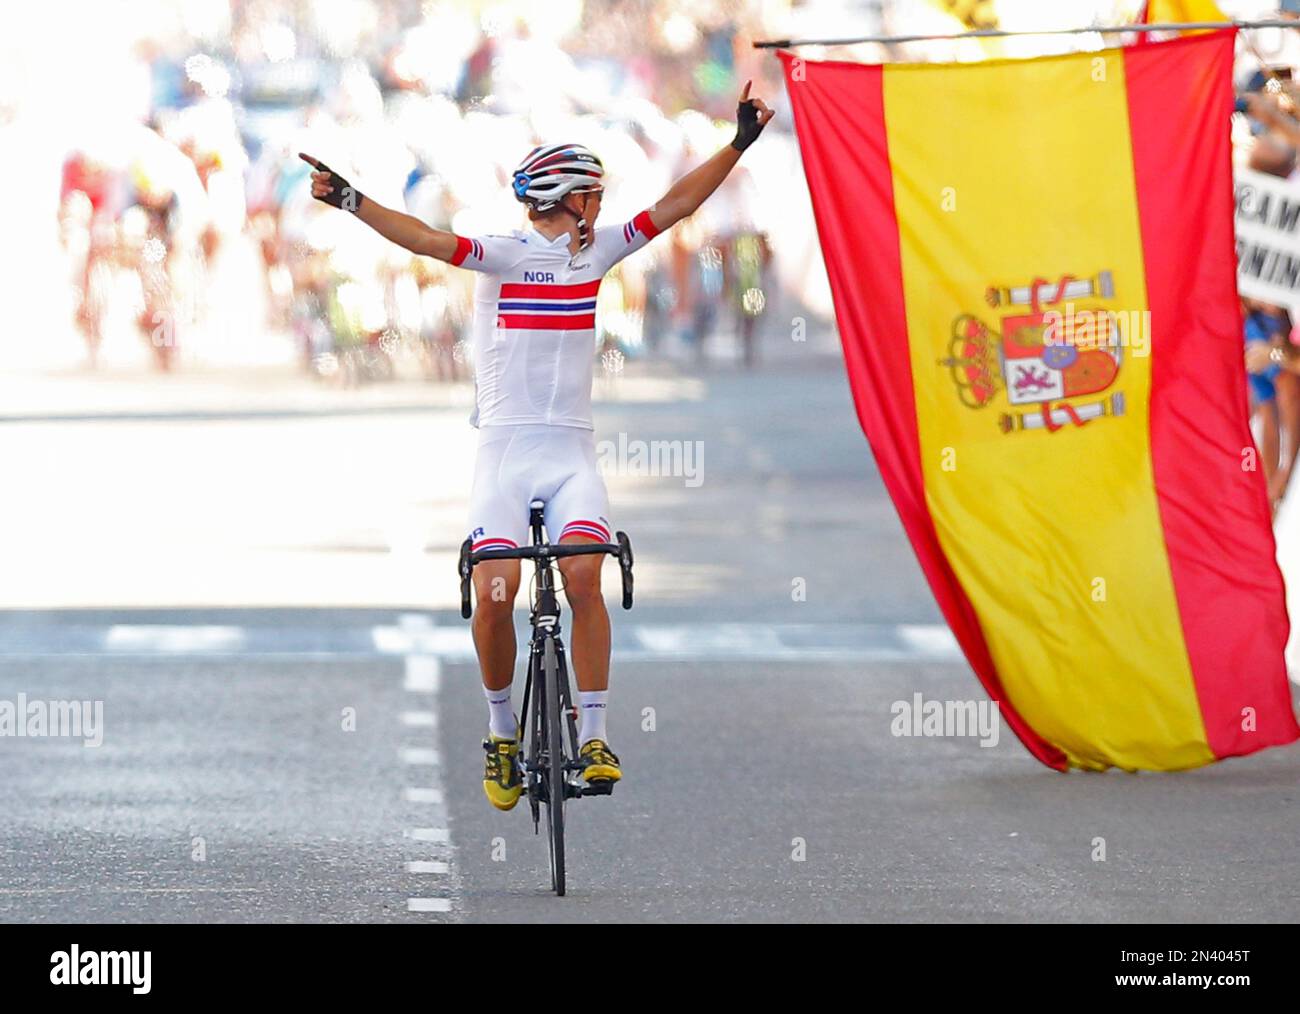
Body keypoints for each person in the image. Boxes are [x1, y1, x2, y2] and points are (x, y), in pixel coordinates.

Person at [301, 83, 773, 810]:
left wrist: (738, 142)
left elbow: (678, 206)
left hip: (570, 455)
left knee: (585, 577)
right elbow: (427, 239)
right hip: (505, 456)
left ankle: (594, 734)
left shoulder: (599, 253)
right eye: (597, 197)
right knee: (496, 594)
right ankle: (499, 732)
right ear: (575, 199)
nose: (603, 210)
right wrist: (352, 202)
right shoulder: (504, 255)